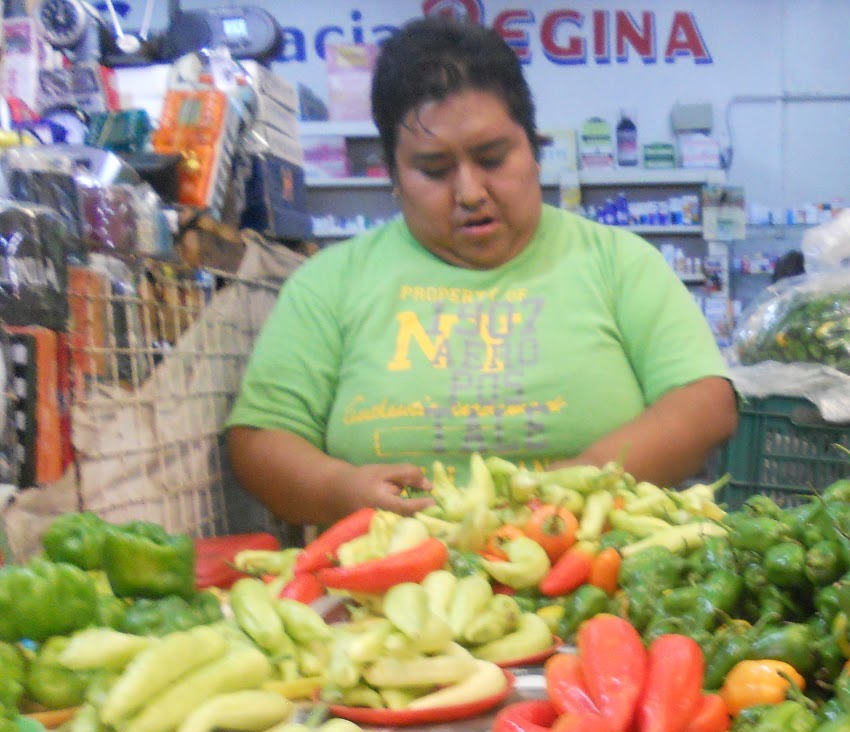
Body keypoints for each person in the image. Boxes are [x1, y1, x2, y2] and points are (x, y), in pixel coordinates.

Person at [226, 18, 737, 525]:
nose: (470, 192)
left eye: (492, 158)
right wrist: (339, 490)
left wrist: (577, 483)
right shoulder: (329, 283)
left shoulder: (620, 263)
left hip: (591, 559)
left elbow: (704, 403)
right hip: (388, 563)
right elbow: (261, 439)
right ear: (394, 176)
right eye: (434, 170)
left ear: (534, 151)